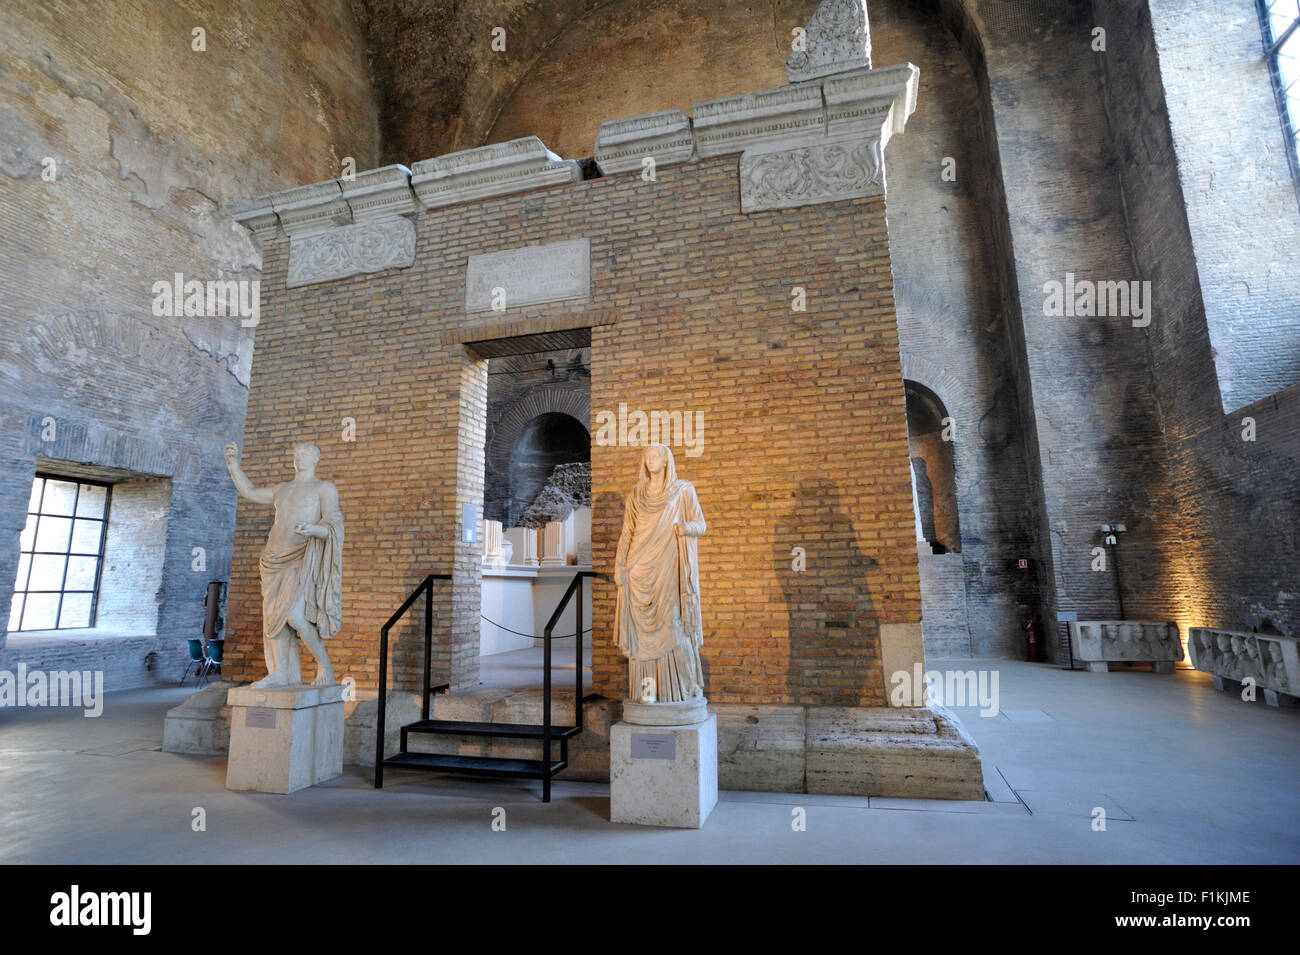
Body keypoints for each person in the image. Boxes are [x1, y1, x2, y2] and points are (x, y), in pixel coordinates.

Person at [224, 441, 343, 688]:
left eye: (305, 454)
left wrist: (314, 529)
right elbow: (251, 492)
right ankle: (280, 673)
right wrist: (233, 465)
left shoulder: (323, 488)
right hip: (273, 558)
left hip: (300, 556)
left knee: (295, 616)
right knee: (273, 617)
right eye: (296, 454)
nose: (299, 458)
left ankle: (325, 666)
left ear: (316, 459)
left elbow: (334, 524)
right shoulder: (282, 489)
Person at [614, 444, 706, 703]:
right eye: (647, 457)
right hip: (638, 568)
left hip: (668, 566)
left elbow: (701, 524)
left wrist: (685, 528)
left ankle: (684, 688)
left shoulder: (683, 491)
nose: (651, 460)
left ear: (666, 461)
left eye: (656, 456)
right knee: (642, 634)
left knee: (673, 626)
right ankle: (648, 691)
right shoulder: (636, 495)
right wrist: (619, 566)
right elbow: (627, 533)